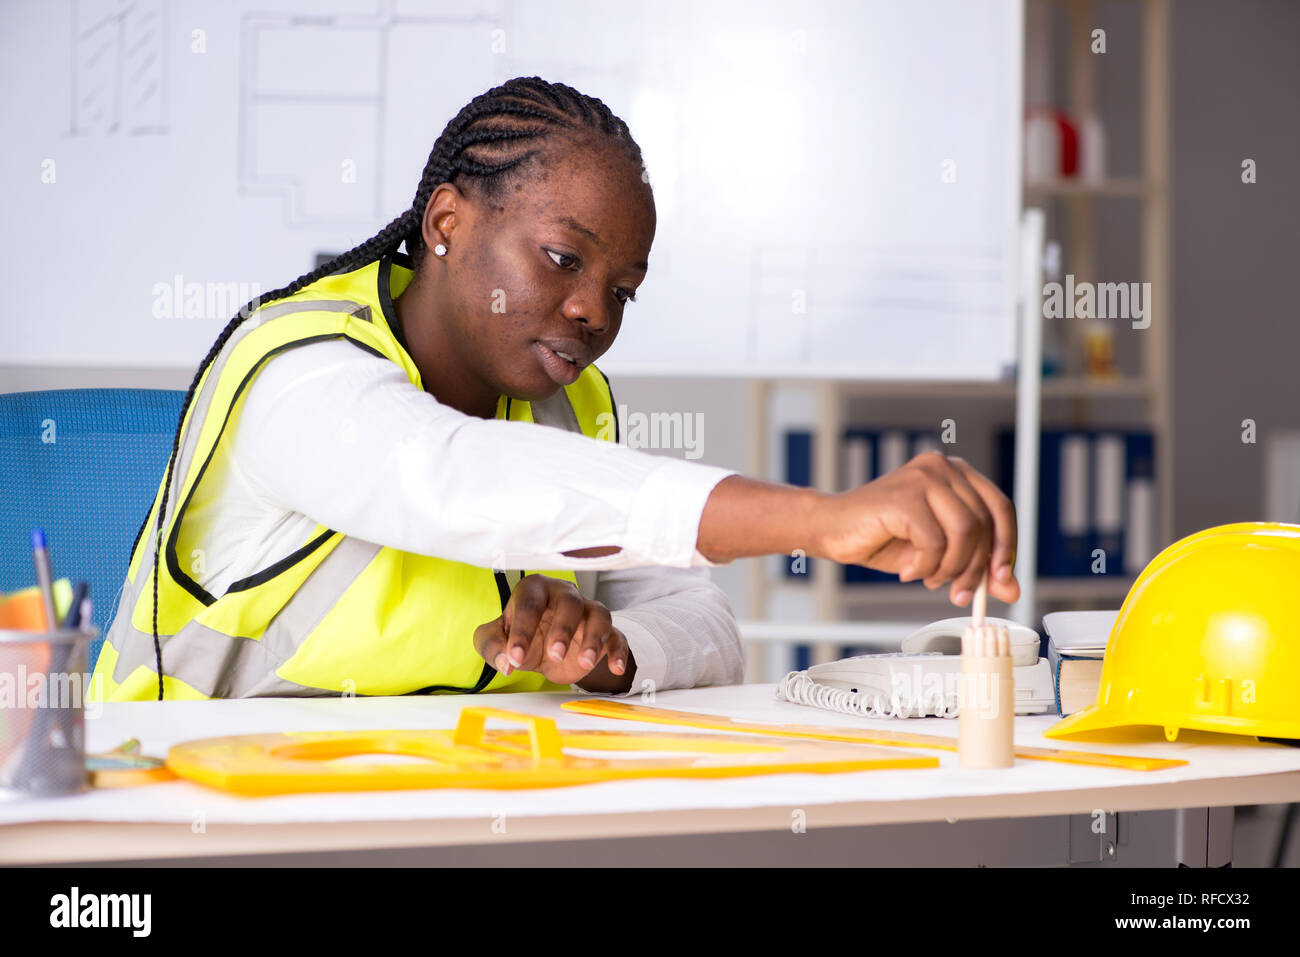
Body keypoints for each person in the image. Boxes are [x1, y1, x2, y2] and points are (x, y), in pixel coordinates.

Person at [90, 76, 1019, 702]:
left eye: (621, 291)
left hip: (446, 815)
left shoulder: (568, 401)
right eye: (563, 259)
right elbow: (456, 478)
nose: (591, 311)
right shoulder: (296, 371)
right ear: (448, 220)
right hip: (194, 817)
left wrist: (614, 649)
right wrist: (819, 519)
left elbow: (704, 624)